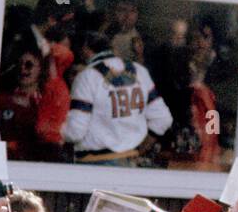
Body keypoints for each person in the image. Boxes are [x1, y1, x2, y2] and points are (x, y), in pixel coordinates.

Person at [62, 31, 172, 165]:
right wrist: (139, 150)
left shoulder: (86, 77)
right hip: (130, 162)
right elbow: (163, 119)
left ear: (85, 48)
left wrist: (56, 130)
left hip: (94, 164)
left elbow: (75, 132)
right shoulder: (139, 71)